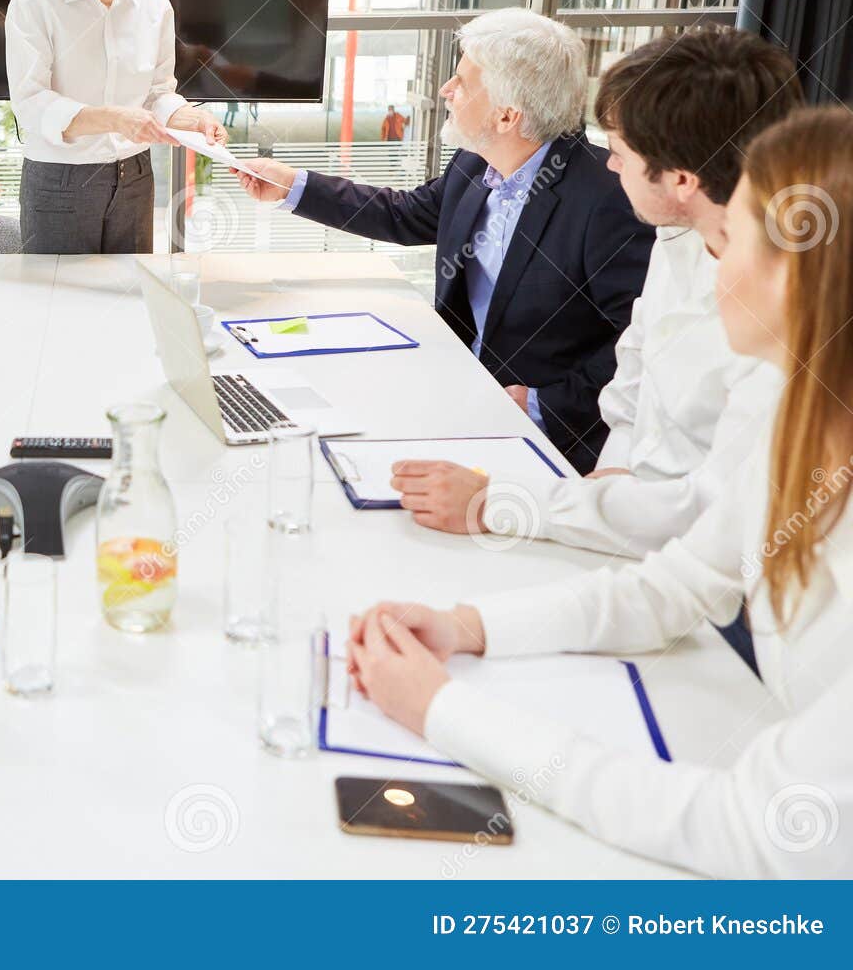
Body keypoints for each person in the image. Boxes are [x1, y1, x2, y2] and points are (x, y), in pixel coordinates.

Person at [348, 107, 853, 878]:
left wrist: (441, 710)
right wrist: (464, 626)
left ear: (808, 272)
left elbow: (744, 831)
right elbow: (678, 584)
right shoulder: (794, 412)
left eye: (734, 238)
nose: (713, 265)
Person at [388, 27, 801, 558]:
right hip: (618, 519)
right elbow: (632, 387)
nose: (608, 165)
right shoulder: (676, 240)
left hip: (709, 572)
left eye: (622, 155)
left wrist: (501, 502)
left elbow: (700, 520)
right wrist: (605, 480)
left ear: (680, 181)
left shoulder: (783, 315)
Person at [235, 8, 653, 472]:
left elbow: (640, 341)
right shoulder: (476, 164)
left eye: (462, 82)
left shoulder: (608, 199)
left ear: (507, 115)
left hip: (540, 440)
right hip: (455, 390)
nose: (445, 91)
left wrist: (543, 404)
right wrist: (293, 185)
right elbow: (407, 214)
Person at [5, 0, 227, 254]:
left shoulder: (153, 2)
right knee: (57, 309)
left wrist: (189, 118)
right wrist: (114, 119)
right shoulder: (34, 3)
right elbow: (31, 105)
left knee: (129, 305)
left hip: (135, 178)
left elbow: (158, 94)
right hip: (59, 183)